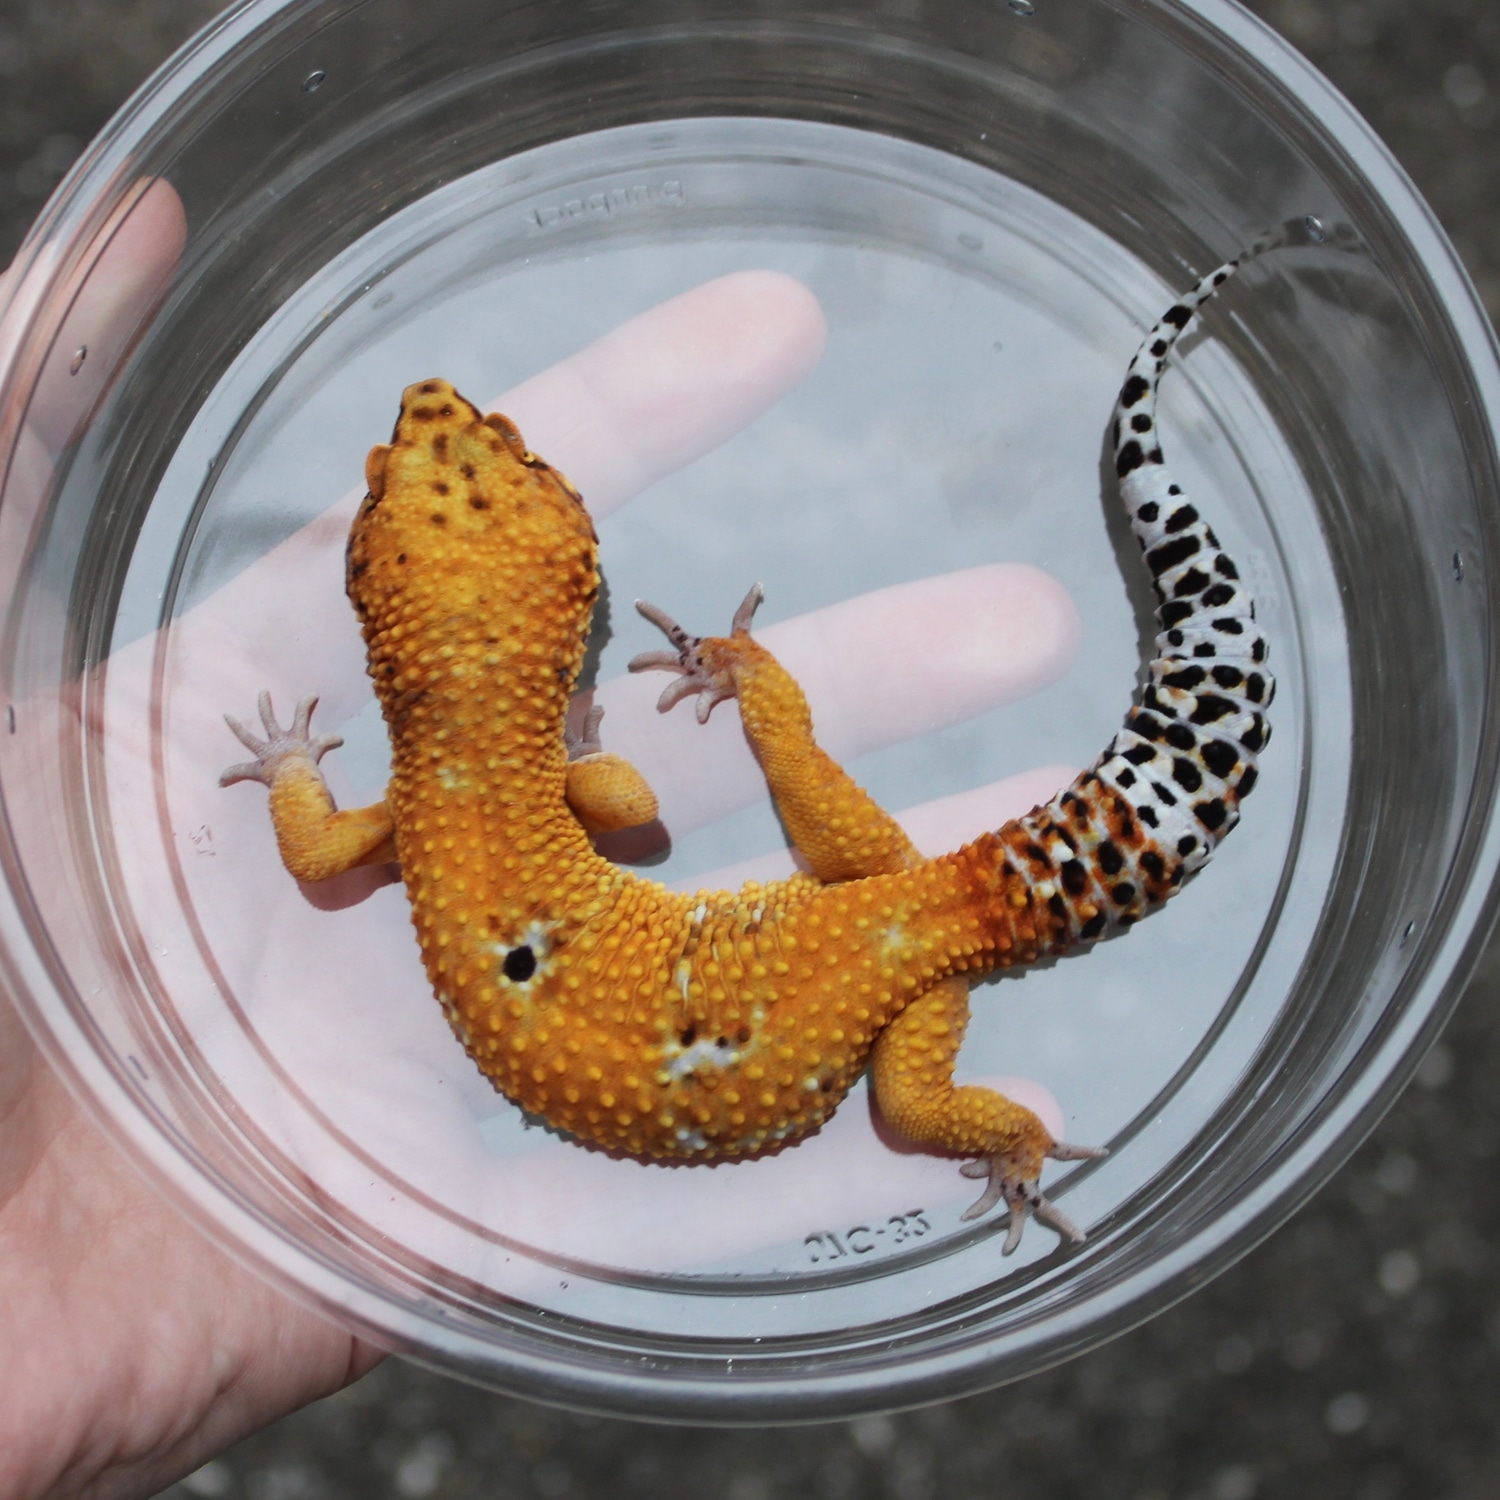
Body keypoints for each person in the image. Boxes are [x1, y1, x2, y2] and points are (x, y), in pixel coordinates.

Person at [0, 180, 1080, 1499]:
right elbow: (633, 821)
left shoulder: (414, 807)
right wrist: (575, 756)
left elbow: (319, 855)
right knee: (911, 1096)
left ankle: (1014, 1143)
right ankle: (1016, 1138)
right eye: (396, 478)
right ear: (570, 597)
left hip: (859, 967)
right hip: (874, 931)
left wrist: (292, 765)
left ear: (373, 621)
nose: (430, 425)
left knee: (914, 1109)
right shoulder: (556, 790)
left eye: (476, 454)